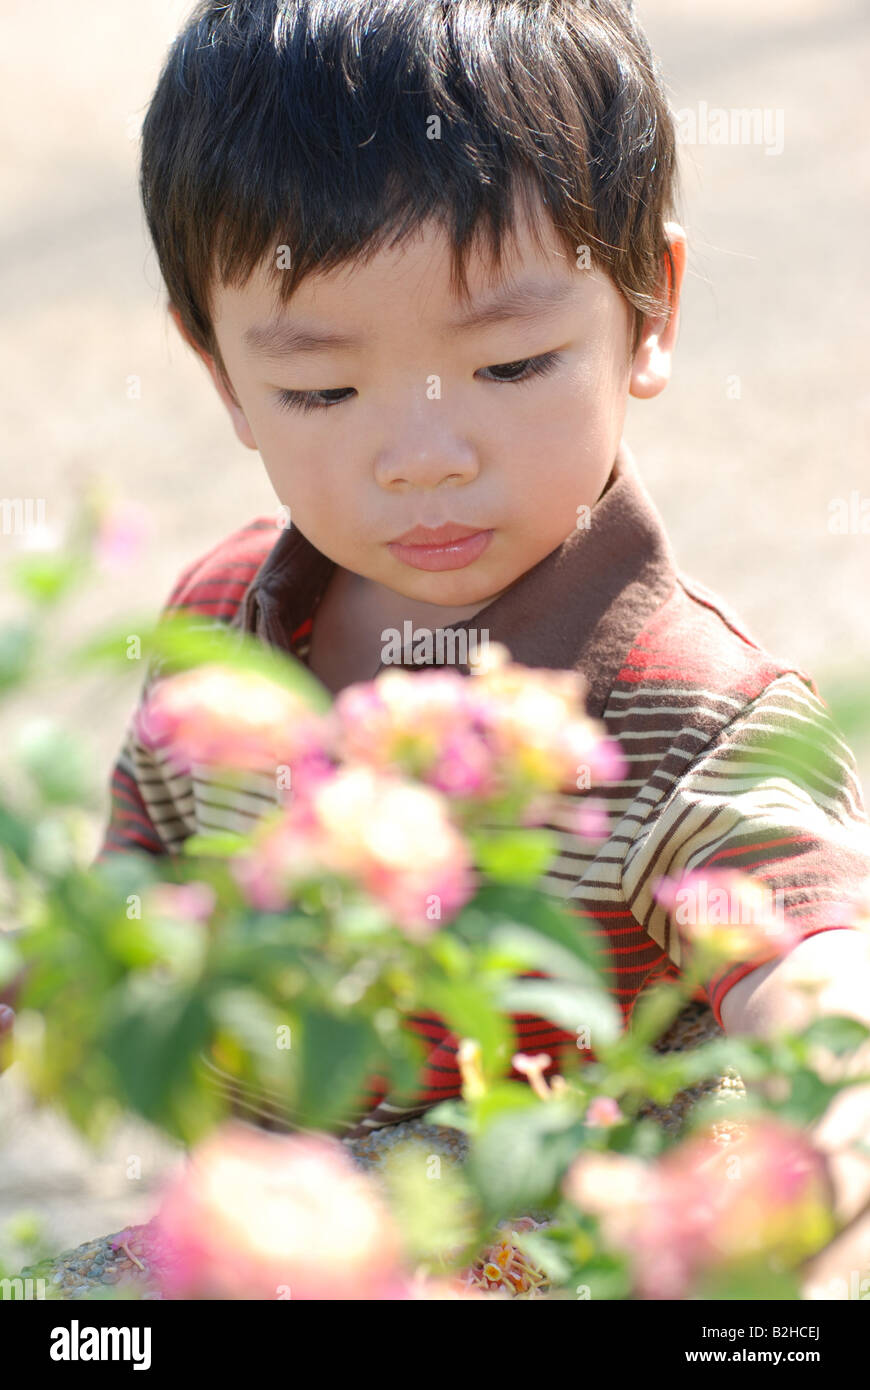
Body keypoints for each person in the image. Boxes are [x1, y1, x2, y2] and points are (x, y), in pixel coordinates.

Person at [4, 0, 869, 1290]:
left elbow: (813, 964)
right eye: (321, 390)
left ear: (651, 310)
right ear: (221, 373)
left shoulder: (691, 712)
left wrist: (827, 1116)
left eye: (512, 365)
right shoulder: (221, 630)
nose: (426, 459)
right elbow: (140, 875)